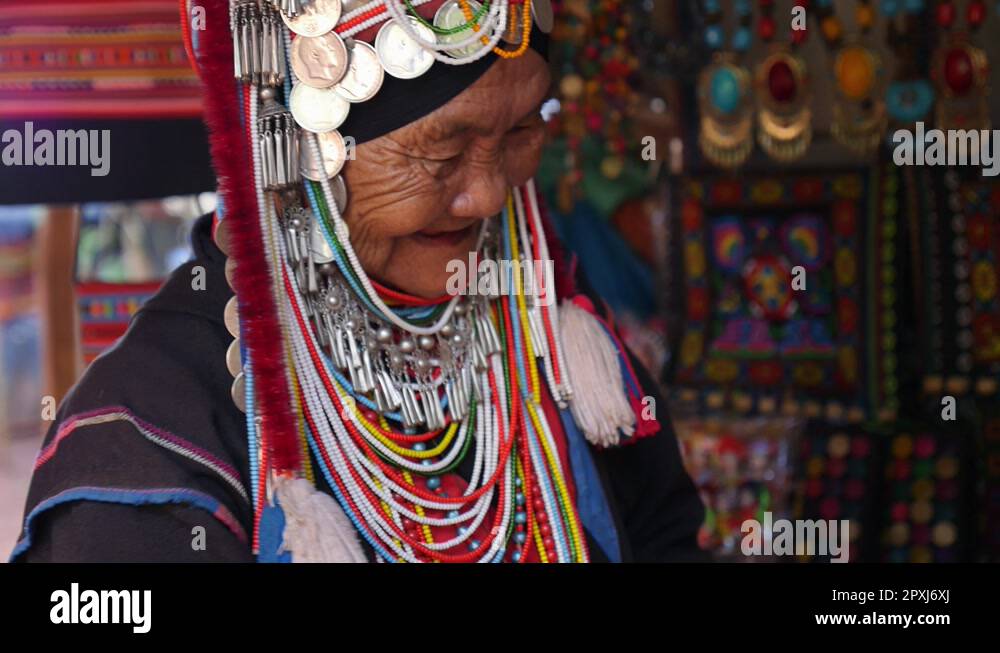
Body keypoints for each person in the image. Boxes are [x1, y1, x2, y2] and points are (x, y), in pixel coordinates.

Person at [11, 0, 704, 563]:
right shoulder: (147, 447)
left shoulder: (551, 330)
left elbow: (665, 536)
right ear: (298, 151)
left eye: (524, 129)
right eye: (443, 151)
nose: (490, 194)